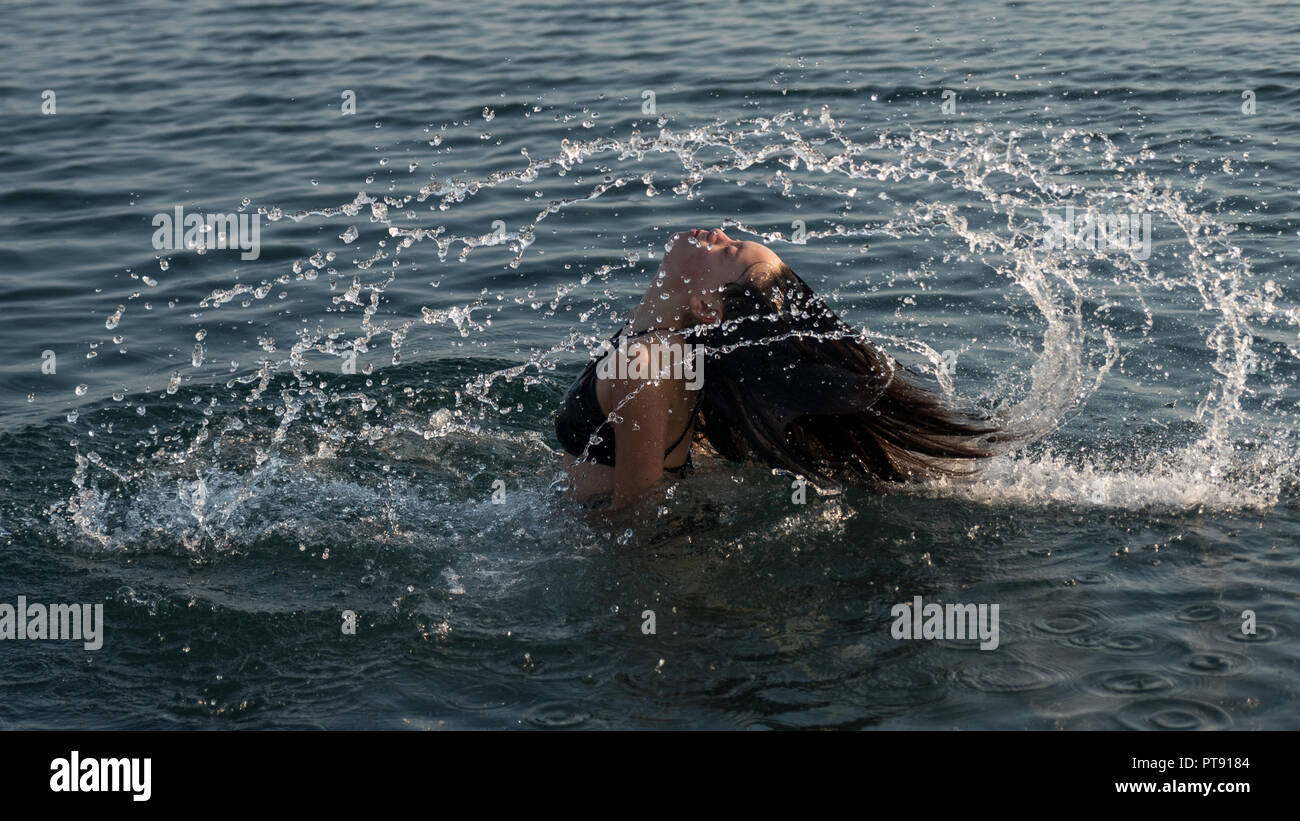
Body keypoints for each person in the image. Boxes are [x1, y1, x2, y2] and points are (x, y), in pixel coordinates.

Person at [555, 227, 1005, 510]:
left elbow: (637, 514)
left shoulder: (647, 366)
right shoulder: (677, 355)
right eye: (731, 240)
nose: (717, 234)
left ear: (706, 307)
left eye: (727, 252)